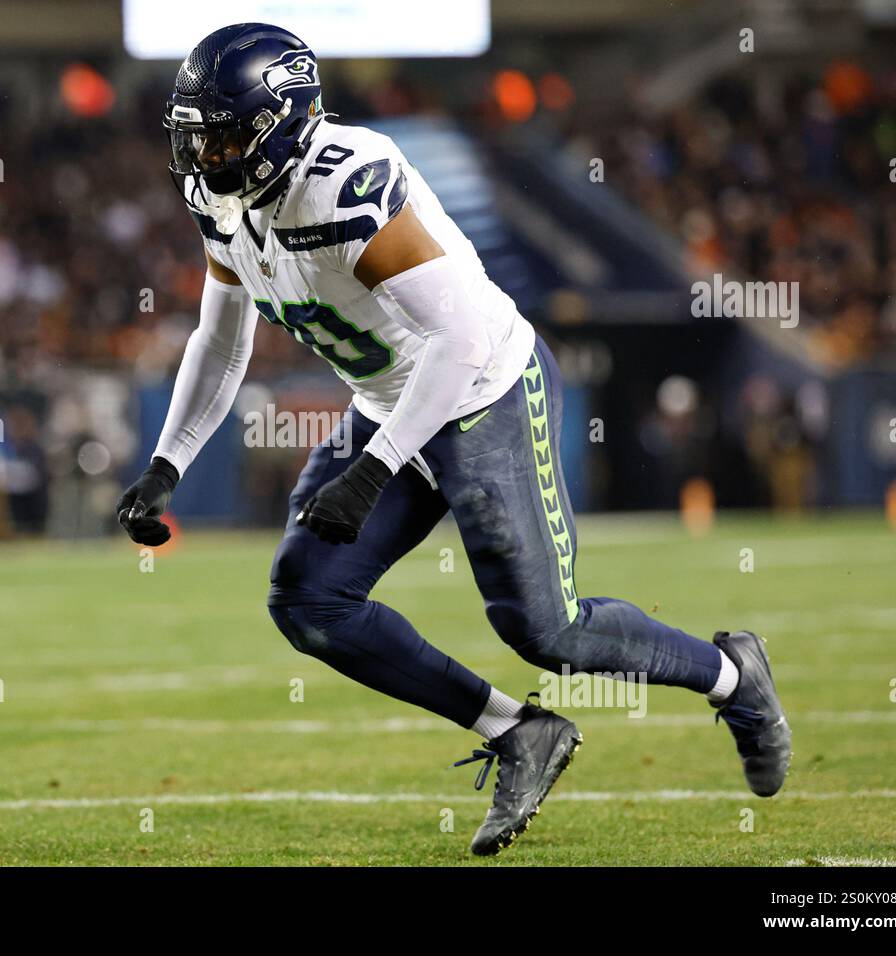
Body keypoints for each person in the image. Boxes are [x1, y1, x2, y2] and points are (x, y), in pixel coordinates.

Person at [117, 23, 791, 855]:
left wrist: (373, 468)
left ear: (280, 123)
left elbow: (462, 340)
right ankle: (519, 734)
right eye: (195, 135)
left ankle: (734, 677)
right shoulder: (222, 200)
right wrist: (166, 462)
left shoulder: (343, 186)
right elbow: (221, 340)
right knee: (309, 599)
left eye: (219, 135)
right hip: (388, 398)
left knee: (548, 631)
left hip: (482, 394)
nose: (202, 155)